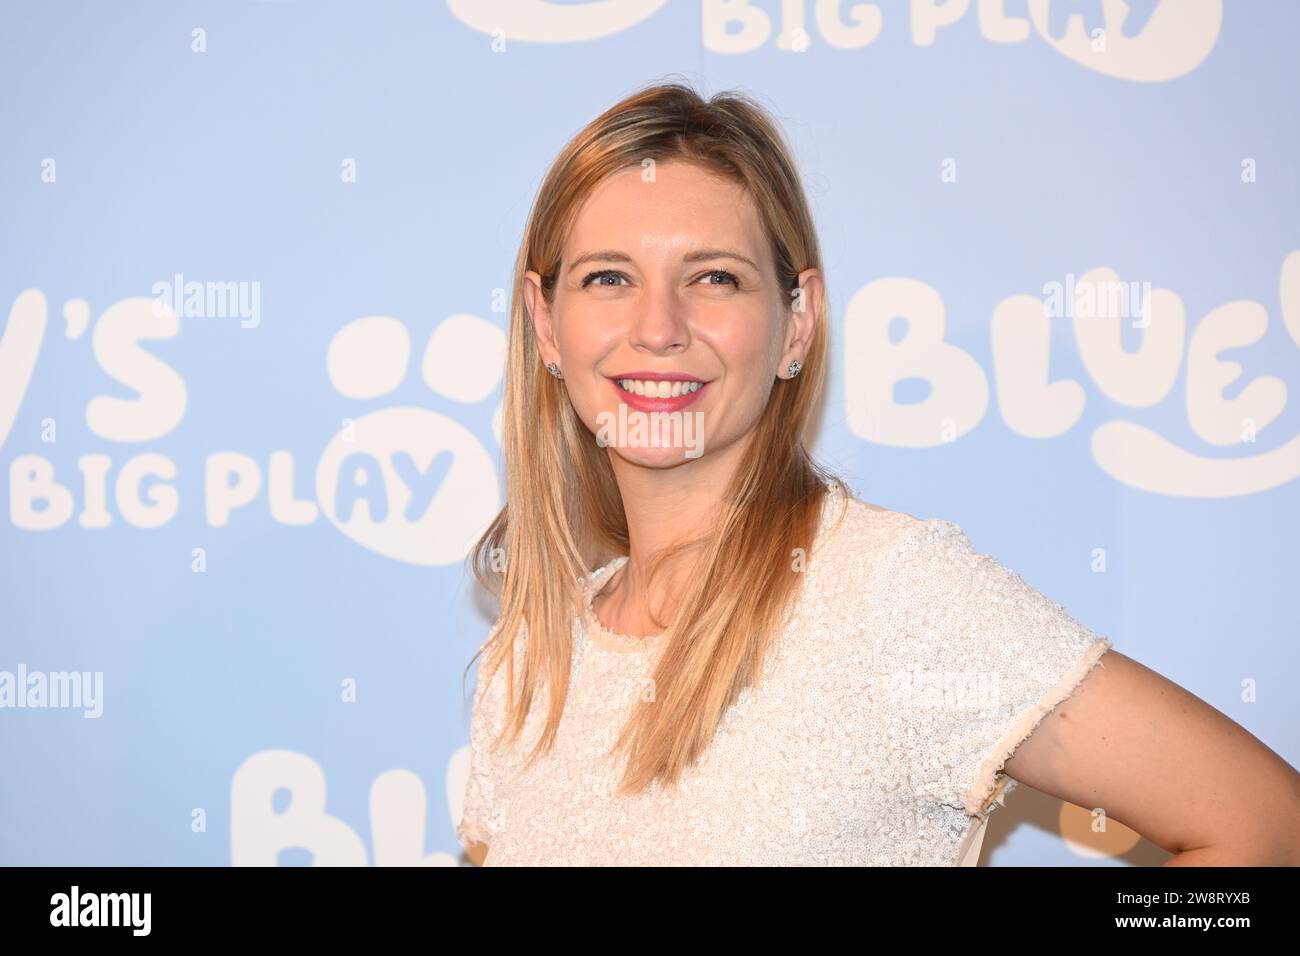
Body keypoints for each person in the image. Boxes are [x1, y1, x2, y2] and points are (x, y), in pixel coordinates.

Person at [455, 79, 1300, 866]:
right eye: (609, 278)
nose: (659, 326)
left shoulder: (887, 596)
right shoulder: (529, 660)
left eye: (715, 276)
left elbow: (1267, 827)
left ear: (797, 323)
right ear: (546, 324)